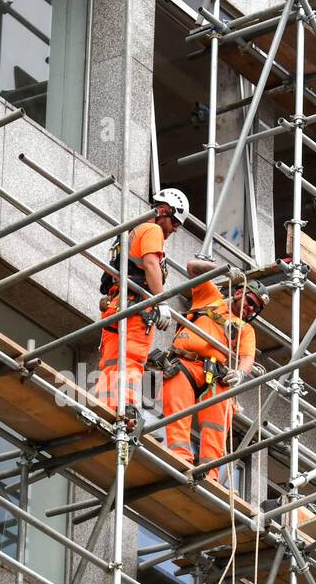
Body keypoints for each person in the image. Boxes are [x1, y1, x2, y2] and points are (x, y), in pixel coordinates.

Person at [159, 264, 268, 483]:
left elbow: (247, 358)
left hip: (214, 374)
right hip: (185, 363)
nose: (249, 310)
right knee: (177, 410)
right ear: (238, 292)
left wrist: (240, 374)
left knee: (217, 423)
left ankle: (210, 473)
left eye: (254, 308)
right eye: (249, 302)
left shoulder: (245, 329)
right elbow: (192, 268)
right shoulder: (211, 297)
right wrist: (222, 269)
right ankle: (180, 457)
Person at [96, 187, 190, 419]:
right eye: (175, 222)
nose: (175, 229)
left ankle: (107, 405)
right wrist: (161, 302)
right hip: (134, 307)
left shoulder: (131, 232)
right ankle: (122, 408)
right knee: (132, 358)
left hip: (117, 306)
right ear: (164, 211)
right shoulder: (152, 229)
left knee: (112, 362)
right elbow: (150, 264)